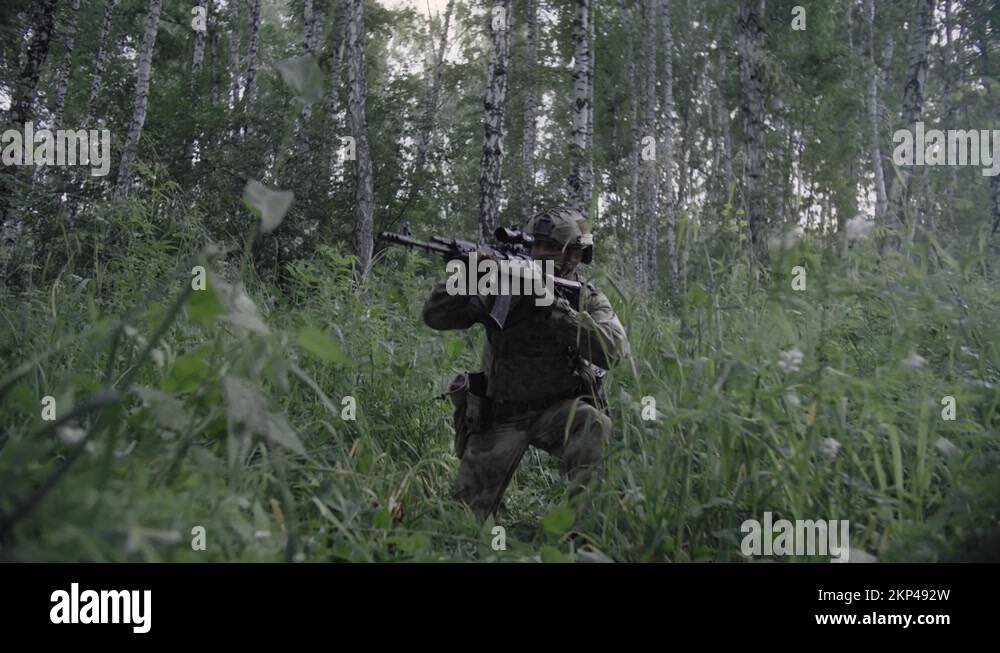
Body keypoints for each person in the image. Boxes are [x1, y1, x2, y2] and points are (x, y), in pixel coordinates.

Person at [422, 207, 630, 518]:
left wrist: (554, 309)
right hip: (500, 414)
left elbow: (616, 351)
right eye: (538, 245)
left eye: (553, 248)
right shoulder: (503, 282)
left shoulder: (587, 297)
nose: (542, 253)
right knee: (462, 519)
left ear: (576, 255)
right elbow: (435, 317)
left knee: (593, 423)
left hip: (556, 410)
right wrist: (467, 276)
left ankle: (584, 530)